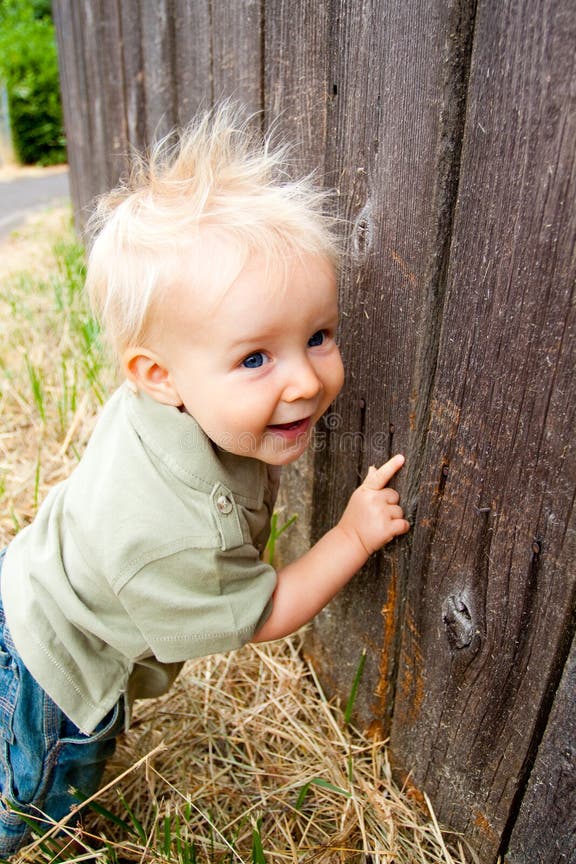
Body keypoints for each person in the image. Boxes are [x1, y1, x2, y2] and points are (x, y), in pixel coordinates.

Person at [0, 103, 410, 853]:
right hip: (52, 683)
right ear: (160, 375)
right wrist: (351, 535)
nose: (304, 382)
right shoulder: (179, 529)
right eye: (255, 358)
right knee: (28, 801)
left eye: (318, 336)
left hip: (20, 589)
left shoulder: (166, 395)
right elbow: (266, 613)